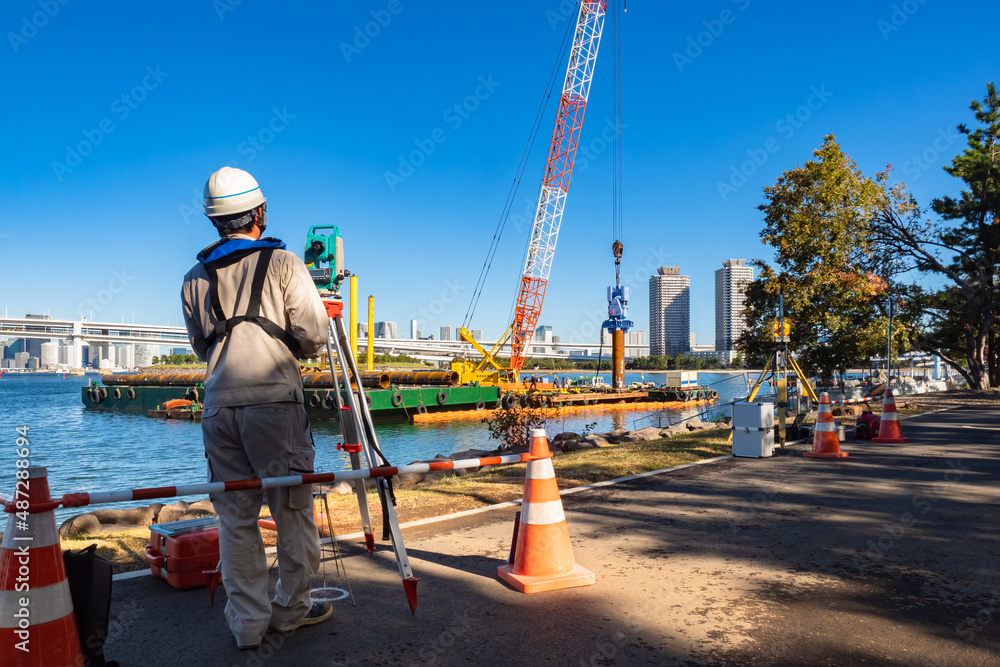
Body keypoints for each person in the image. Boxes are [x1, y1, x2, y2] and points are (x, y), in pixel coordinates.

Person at [181, 166, 331, 649]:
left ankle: (247, 625)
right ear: (260, 212)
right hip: (274, 406)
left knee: (235, 519)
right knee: (291, 511)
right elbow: (312, 339)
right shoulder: (285, 264)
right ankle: (290, 611)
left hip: (218, 408)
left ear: (214, 221)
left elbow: (203, 349)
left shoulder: (193, 277)